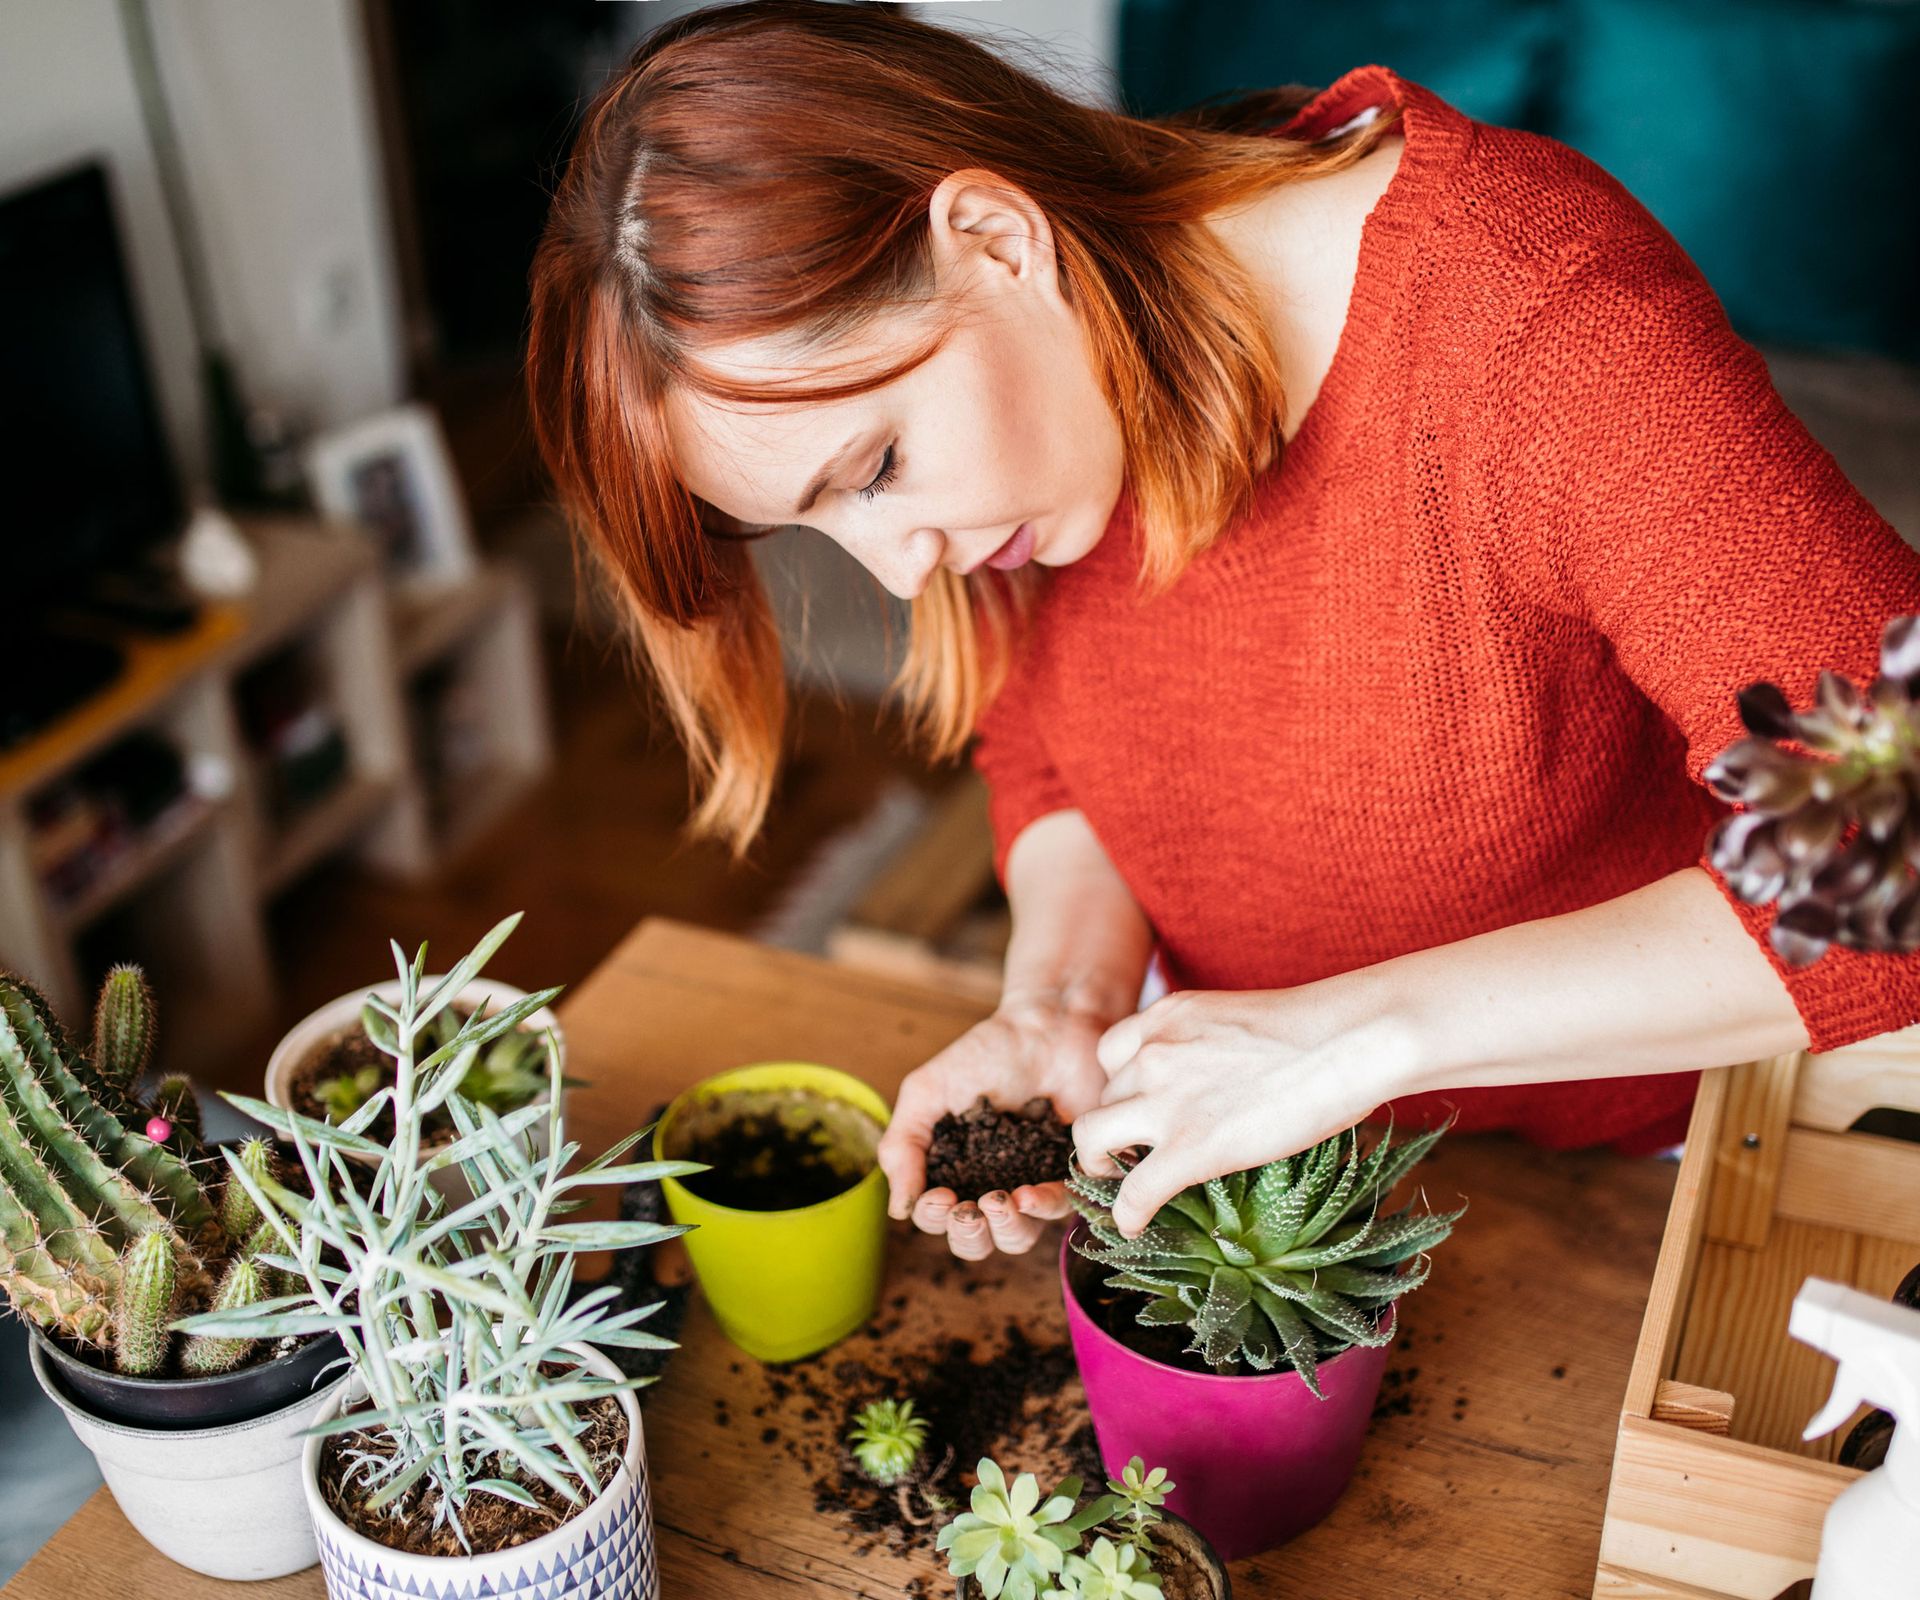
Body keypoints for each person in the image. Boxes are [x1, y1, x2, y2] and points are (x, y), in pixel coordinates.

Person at [525, 1, 1920, 1261]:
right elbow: (1057, 747)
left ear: (997, 242)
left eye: (874, 467)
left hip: (1672, 1167)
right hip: (1295, 1165)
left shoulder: (1523, 328)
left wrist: (1347, 1037)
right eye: (815, 524)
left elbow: (1896, 847)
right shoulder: (1040, 415)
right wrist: (1061, 1001)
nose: (899, 575)